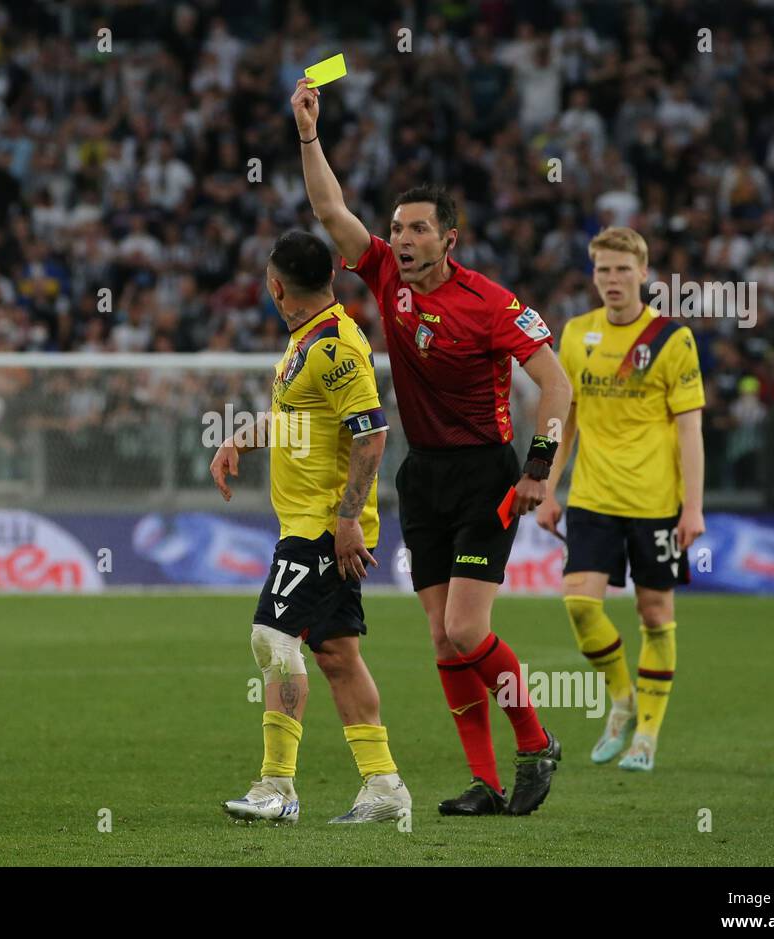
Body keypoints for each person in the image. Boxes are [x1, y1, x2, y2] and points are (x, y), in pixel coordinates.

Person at [292, 78, 574, 816]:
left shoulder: (492, 303)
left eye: (419, 229)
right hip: (423, 479)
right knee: (443, 645)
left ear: (449, 238)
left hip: (487, 476)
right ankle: (484, 782)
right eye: (399, 227)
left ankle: (537, 741)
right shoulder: (385, 274)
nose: (404, 239)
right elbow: (328, 210)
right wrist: (309, 133)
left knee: (464, 628)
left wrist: (540, 470)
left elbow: (557, 385)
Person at [210, 230, 411, 824]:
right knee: (337, 656)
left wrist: (347, 518)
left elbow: (372, 433)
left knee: (273, 639)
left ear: (276, 286)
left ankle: (277, 788)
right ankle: (384, 789)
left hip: (322, 526)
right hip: (311, 523)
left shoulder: (334, 349)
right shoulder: (307, 342)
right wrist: (240, 438)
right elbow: (299, 420)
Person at [538, 226, 706, 771]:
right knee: (580, 604)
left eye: (622, 269)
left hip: (656, 502)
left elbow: (690, 430)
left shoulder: (671, 339)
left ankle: (648, 738)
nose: (612, 279)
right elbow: (568, 420)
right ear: (594, 275)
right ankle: (622, 698)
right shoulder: (576, 334)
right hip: (592, 496)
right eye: (603, 270)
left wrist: (693, 506)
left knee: (654, 615)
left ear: (643, 273)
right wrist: (546, 486)